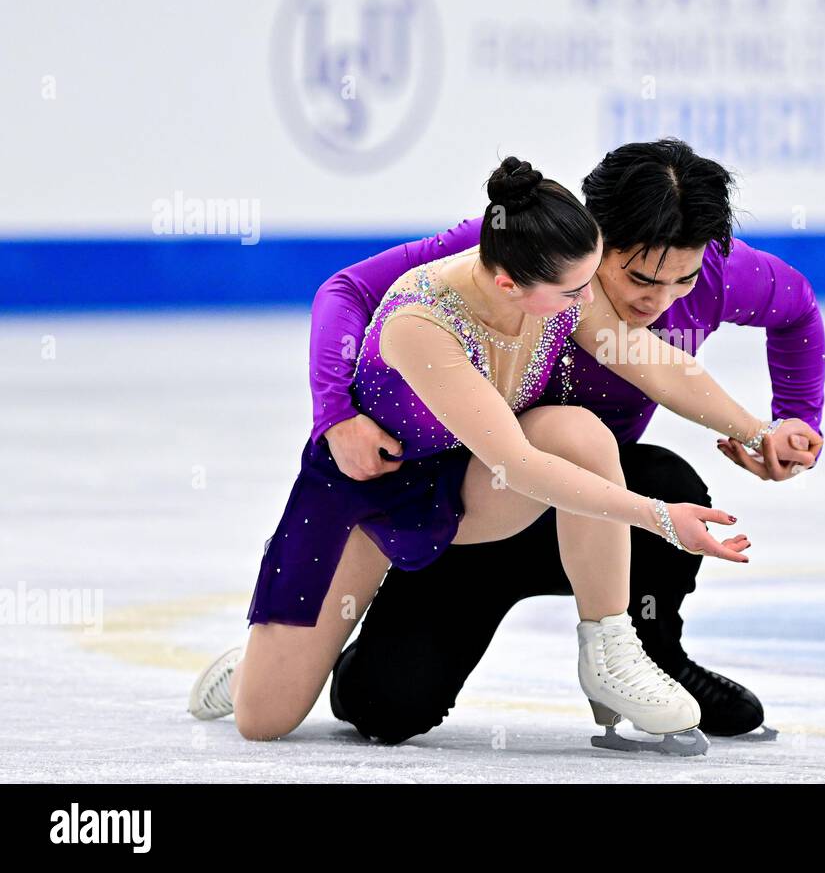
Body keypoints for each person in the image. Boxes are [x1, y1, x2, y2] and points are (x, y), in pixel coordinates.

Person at [191, 155, 790, 755]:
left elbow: (653, 361)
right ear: (509, 285)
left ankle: (609, 650)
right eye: (574, 293)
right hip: (365, 497)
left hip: (463, 488)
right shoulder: (421, 322)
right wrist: (662, 517)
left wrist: (759, 432)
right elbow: (517, 463)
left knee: (578, 434)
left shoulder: (555, 284)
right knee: (265, 718)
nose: (589, 305)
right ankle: (256, 667)